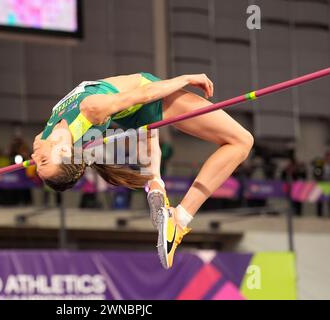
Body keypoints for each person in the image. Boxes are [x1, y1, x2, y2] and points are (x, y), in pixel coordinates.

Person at [31, 72, 254, 269]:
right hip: (147, 99)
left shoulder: (43, 138)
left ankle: (155, 185)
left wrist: (47, 160)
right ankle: (179, 218)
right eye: (42, 161)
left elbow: (58, 153)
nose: (34, 157)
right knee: (242, 141)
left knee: (149, 153)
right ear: (62, 151)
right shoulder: (89, 111)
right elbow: (147, 94)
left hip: (129, 115)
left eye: (38, 162)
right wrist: (185, 79)